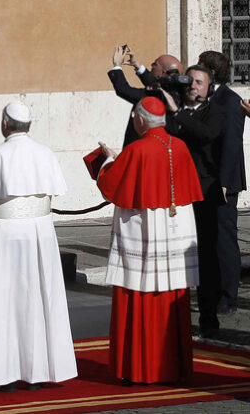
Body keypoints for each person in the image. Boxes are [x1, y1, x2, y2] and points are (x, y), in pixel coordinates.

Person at [0, 101, 76, 393]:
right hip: (40, 230)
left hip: (3, 231)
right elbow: (52, 194)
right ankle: (38, 372)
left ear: (4, 123)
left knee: (3, 299)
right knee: (39, 297)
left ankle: (2, 376)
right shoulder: (46, 154)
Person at [95, 97, 202, 384]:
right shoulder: (179, 146)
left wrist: (107, 159)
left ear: (141, 121)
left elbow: (109, 185)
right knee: (171, 291)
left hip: (143, 230)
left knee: (138, 290)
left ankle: (139, 368)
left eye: (134, 118)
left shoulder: (137, 149)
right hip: (175, 227)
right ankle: (173, 367)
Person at [161, 65, 225, 338]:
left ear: (209, 87)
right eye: (191, 81)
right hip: (175, 193)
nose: (193, 86)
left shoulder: (216, 113)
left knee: (207, 258)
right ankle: (174, 320)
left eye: (200, 82)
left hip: (204, 193)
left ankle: (209, 320)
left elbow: (205, 135)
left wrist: (178, 113)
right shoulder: (170, 112)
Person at [198, 50, 245, 315]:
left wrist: (225, 183)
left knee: (224, 240)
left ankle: (229, 298)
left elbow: (232, 144)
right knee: (208, 238)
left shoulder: (230, 100)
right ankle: (213, 292)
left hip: (223, 182)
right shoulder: (210, 98)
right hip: (207, 179)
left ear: (212, 73)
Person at [108, 46, 182, 146]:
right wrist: (136, 64)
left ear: (163, 73)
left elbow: (124, 90)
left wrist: (117, 65)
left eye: (155, 64)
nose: (151, 65)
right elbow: (154, 82)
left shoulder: (157, 96)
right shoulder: (172, 91)